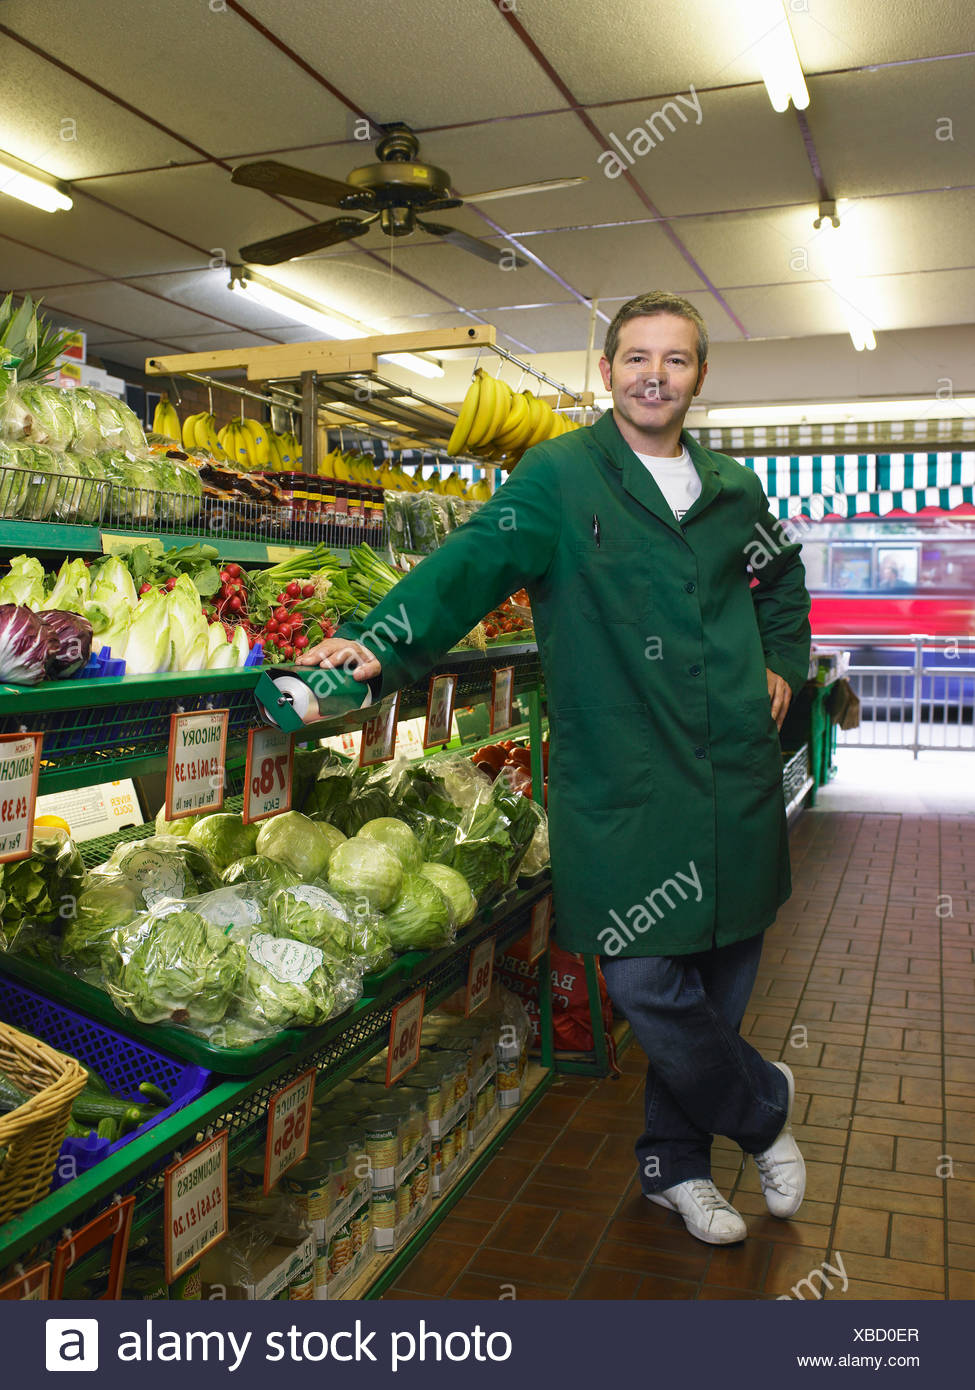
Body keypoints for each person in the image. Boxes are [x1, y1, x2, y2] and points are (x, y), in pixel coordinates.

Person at [299, 290, 812, 1248]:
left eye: (676, 359)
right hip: (622, 780)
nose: (653, 373)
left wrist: (782, 665)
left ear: (701, 375)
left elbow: (780, 580)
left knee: (716, 989)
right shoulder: (559, 477)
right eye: (635, 357)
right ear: (605, 372)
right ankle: (762, 1106)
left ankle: (674, 1168)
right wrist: (378, 641)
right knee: (647, 984)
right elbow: (468, 565)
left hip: (731, 778)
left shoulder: (734, 490)